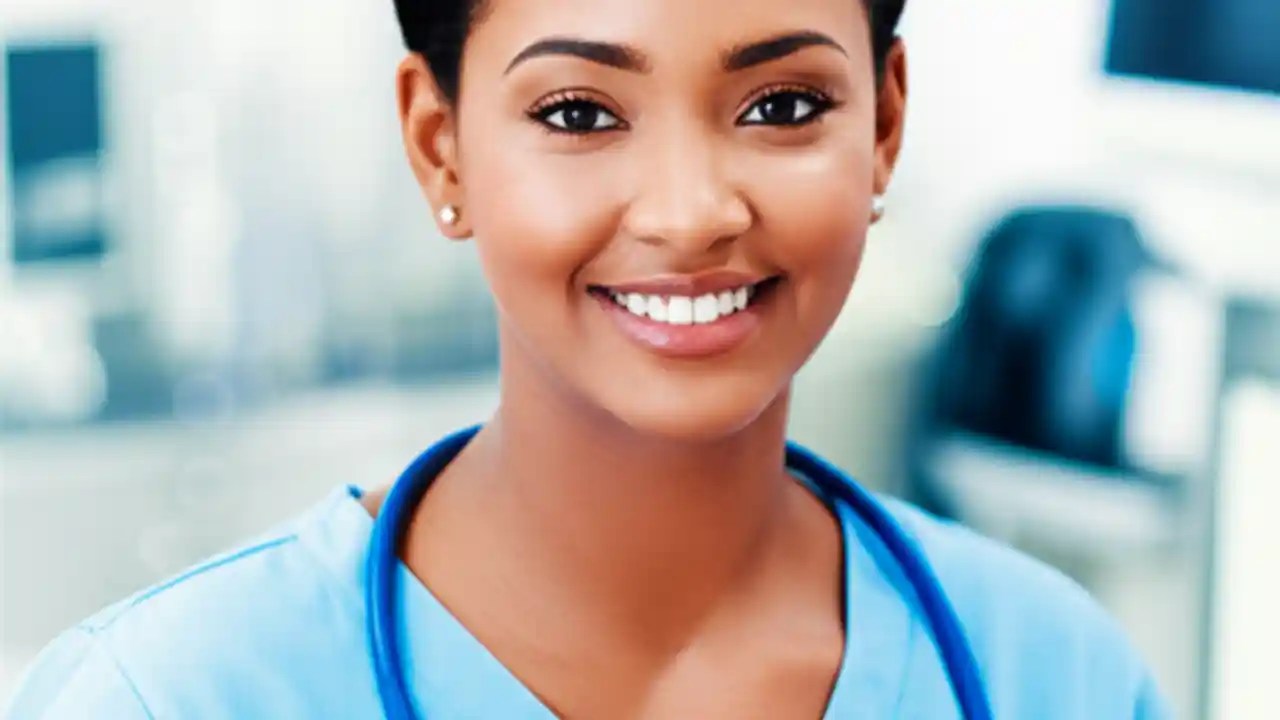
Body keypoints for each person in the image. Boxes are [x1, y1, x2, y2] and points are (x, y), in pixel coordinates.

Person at [7, 0, 1171, 717]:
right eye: (576, 112)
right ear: (438, 146)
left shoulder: (1050, 673)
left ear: (882, 127)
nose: (688, 212)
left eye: (779, 106)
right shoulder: (168, 699)